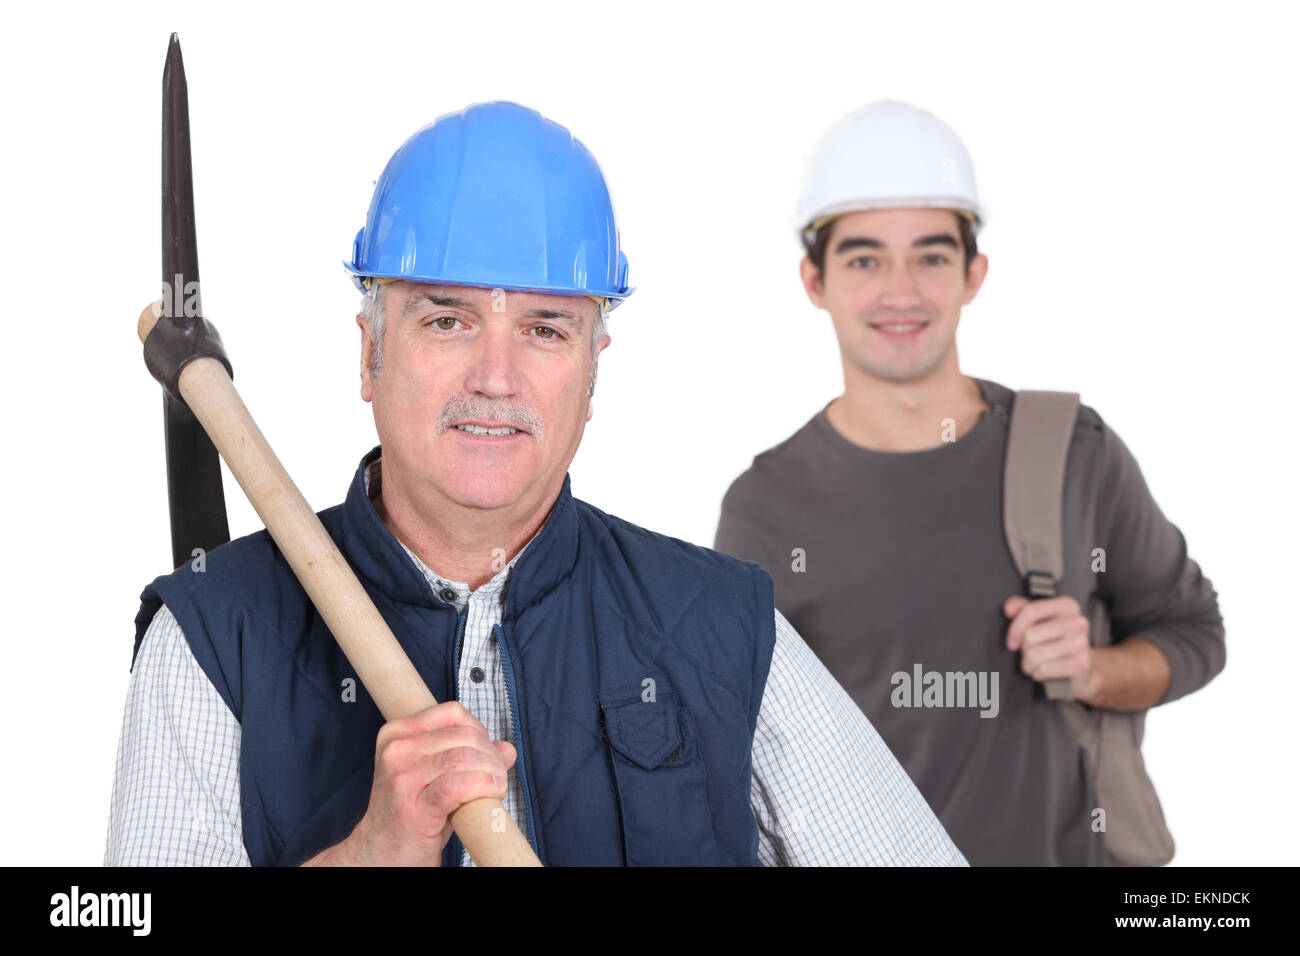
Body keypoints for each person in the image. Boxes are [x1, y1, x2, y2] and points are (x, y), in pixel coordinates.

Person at [106, 101, 965, 867]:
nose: (495, 376)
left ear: (593, 371)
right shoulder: (215, 638)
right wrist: (366, 858)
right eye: (447, 320)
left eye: (547, 330)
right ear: (370, 354)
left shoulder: (722, 628)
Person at [714, 100, 1226, 866]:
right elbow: (742, 761)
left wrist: (1095, 668)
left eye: (930, 256)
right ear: (814, 281)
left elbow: (1195, 633)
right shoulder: (766, 507)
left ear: (973, 273)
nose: (900, 292)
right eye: (863, 259)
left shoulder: (1071, 453)